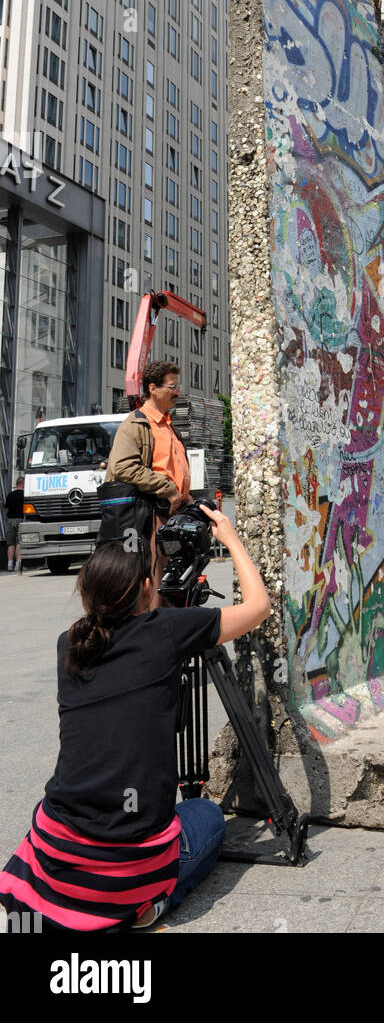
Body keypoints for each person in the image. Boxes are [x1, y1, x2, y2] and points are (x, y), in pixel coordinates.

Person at [0, 506, 269, 930]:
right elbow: (258, 608)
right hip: (132, 868)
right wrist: (230, 539)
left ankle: (48, 890)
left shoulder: (66, 644)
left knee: (50, 809)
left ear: (87, 595)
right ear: (148, 587)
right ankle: (150, 904)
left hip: (65, 840)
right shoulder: (164, 631)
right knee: (207, 816)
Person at [105, 361, 191, 589]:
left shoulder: (169, 426)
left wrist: (186, 497)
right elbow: (123, 467)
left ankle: (169, 618)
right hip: (152, 515)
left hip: (171, 516)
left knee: (172, 573)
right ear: (153, 388)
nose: (177, 392)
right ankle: (154, 620)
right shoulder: (136, 424)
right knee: (156, 573)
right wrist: (169, 489)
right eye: (172, 387)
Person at [4, 477, 25, 573]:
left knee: (11, 544)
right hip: (21, 520)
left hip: (10, 521)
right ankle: (18, 565)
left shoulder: (10, 495)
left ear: (17, 484)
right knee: (19, 543)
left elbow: (6, 506)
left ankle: (9, 564)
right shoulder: (25, 495)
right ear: (23, 484)